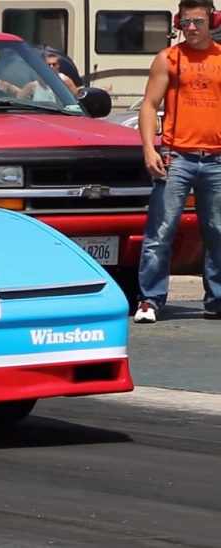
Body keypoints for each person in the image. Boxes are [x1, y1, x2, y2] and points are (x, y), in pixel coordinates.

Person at [134, 0, 221, 323]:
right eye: (186, 22)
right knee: (161, 231)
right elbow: (148, 105)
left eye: (198, 21)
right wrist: (148, 149)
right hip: (176, 158)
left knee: (218, 231)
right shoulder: (169, 58)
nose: (192, 28)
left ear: (213, 20)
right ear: (178, 23)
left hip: (217, 160)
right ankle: (150, 300)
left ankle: (217, 300)